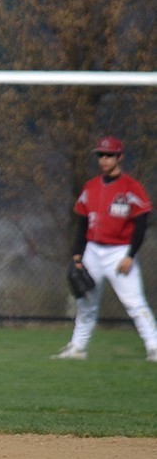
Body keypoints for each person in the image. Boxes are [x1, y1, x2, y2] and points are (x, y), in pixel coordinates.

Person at [53, 136, 157, 362]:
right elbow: (81, 223)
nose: (104, 159)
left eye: (109, 155)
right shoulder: (91, 187)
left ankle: (154, 347)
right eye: (101, 155)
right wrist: (77, 255)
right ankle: (78, 348)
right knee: (86, 302)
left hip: (120, 251)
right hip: (93, 251)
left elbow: (141, 224)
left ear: (120, 157)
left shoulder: (131, 187)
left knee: (135, 303)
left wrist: (131, 255)